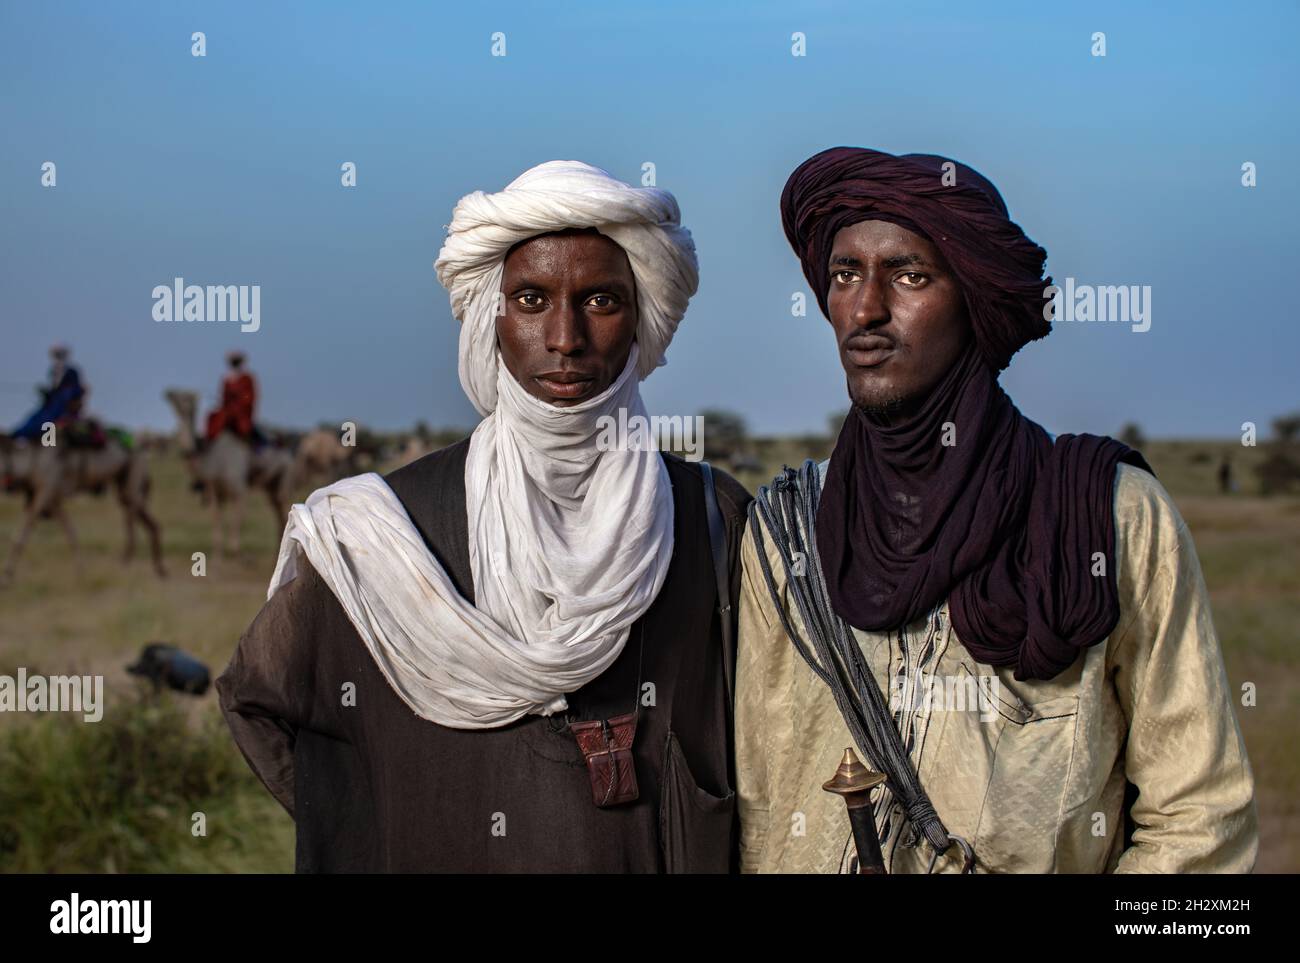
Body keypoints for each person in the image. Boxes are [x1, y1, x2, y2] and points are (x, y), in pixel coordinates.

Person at [215, 160, 751, 872]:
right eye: (531, 299)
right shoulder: (377, 533)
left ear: (641, 317)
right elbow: (260, 696)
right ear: (489, 321)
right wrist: (392, 815)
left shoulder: (710, 518)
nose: (565, 337)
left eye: (599, 300)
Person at [736, 147, 1257, 873]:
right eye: (844, 274)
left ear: (977, 299)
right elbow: (757, 800)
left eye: (910, 275)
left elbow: (1201, 823)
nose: (865, 310)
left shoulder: (1106, 517)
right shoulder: (784, 530)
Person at [11, 343, 86, 441]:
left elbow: (76, 391)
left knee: (44, 421)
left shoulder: (71, 371)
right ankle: (17, 435)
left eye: (60, 354)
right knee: (34, 419)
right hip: (51, 407)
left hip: (61, 408)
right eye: (57, 354)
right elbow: (53, 391)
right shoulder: (54, 371)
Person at [205, 350, 264, 448]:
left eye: (236, 361)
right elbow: (223, 398)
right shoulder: (227, 379)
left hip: (241, 412)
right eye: (233, 361)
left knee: (239, 422)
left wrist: (238, 401)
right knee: (213, 417)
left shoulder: (247, 378)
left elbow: (250, 397)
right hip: (228, 411)